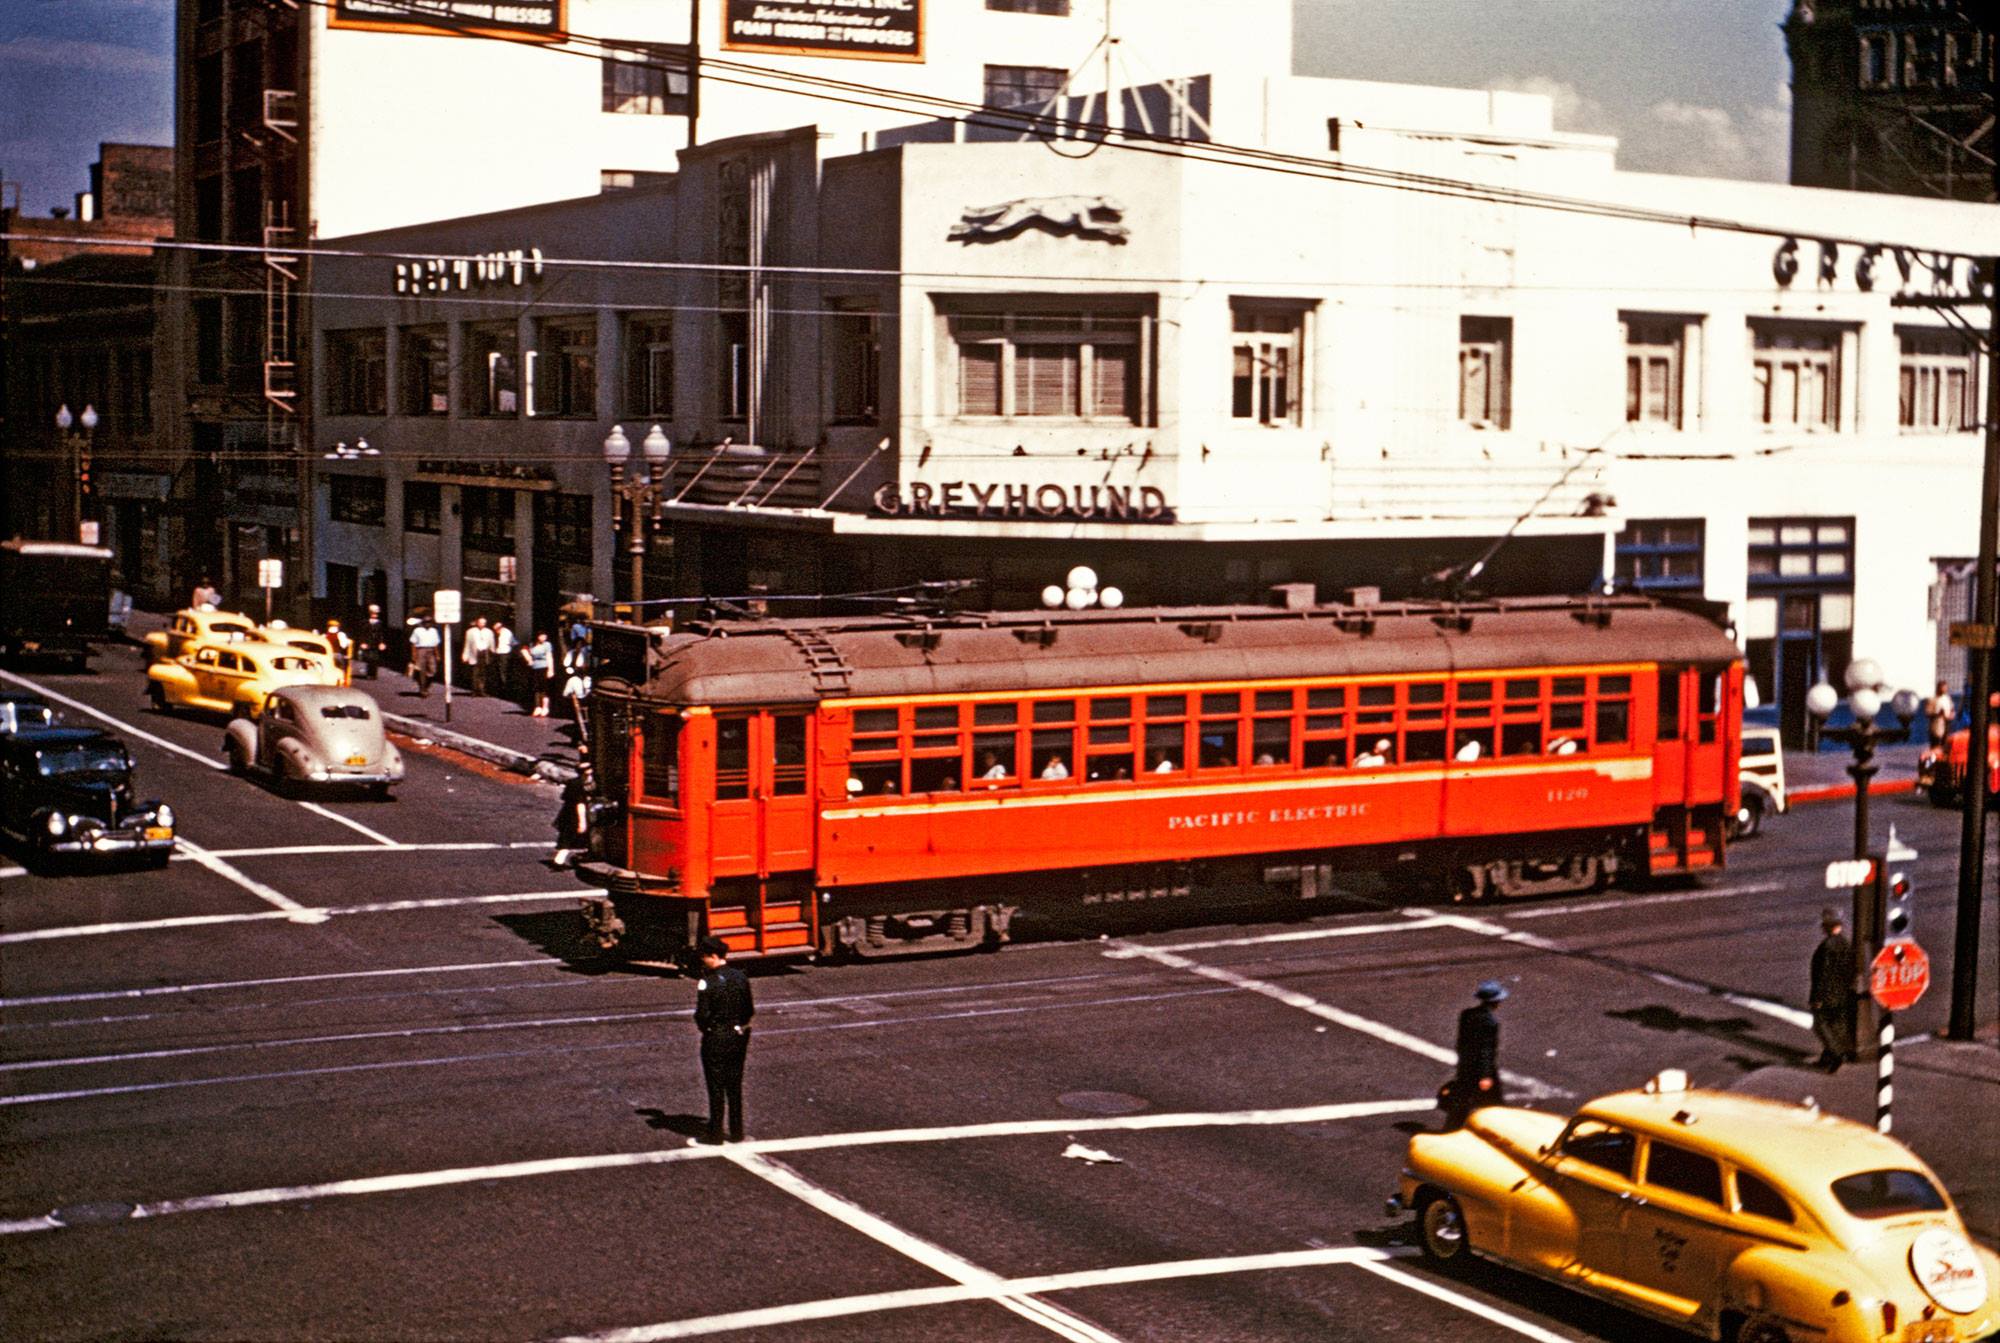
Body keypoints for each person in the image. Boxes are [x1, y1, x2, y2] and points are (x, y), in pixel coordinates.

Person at [691, 935, 753, 1144]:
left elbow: (702, 1015)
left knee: (716, 1086)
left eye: (705, 957)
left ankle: (715, 1132)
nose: (703, 961)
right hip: (737, 1036)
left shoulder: (707, 982)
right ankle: (737, 1131)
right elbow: (748, 1011)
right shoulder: (740, 977)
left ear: (714, 956)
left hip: (716, 1037)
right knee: (734, 1085)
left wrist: (706, 1028)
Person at [1442, 980, 1507, 1130]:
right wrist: (1485, 1075)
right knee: (1495, 1103)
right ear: (1496, 1001)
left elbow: (1462, 1042)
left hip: (1466, 1065)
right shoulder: (1490, 1022)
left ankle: (1451, 1128)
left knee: (1462, 1101)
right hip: (1480, 1070)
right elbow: (1486, 1050)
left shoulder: (1466, 1015)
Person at [1809, 908, 1856, 1071]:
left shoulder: (1827, 946)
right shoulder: (1845, 943)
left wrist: (1817, 998)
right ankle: (1827, 1057)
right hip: (1842, 993)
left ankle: (1836, 1054)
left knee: (1820, 1025)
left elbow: (1823, 975)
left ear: (1828, 926)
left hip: (1828, 995)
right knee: (1837, 1025)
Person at [551, 766, 591, 868]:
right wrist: (582, 822)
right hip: (575, 815)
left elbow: (563, 796)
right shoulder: (580, 785)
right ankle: (559, 861)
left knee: (565, 837)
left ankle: (558, 860)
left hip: (566, 812)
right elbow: (580, 804)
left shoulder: (571, 782)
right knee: (570, 838)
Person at [523, 631, 556, 716]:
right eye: (542, 636)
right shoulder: (532, 645)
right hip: (535, 667)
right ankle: (537, 707)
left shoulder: (547, 645)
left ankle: (545, 707)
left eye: (545, 636)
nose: (544, 637)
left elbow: (549, 657)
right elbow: (524, 649)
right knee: (536, 687)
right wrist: (529, 659)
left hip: (544, 667)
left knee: (544, 687)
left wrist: (550, 669)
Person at [407, 616, 442, 696]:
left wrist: (437, 655)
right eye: (426, 622)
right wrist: (414, 654)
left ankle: (427, 684)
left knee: (433, 670)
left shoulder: (434, 631)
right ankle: (423, 689)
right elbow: (413, 643)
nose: (428, 624)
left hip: (431, 650)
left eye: (429, 622)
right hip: (421, 650)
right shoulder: (417, 630)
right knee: (421, 670)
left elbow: (436, 644)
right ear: (423, 623)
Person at [462, 616, 495, 696]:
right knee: (475, 672)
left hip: (484, 652)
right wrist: (465, 655)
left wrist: (493, 652)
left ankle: (482, 690)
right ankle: (474, 690)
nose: (482, 624)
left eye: (484, 623)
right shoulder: (470, 632)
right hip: (475, 652)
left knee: (483, 673)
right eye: (480, 622)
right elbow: (467, 644)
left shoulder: (489, 632)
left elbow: (492, 643)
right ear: (477, 623)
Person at [359, 605, 390, 681]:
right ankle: (369, 673)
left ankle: (374, 674)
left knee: (375, 658)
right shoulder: (365, 622)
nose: (374, 615)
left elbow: (382, 634)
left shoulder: (380, 623)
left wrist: (382, 643)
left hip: (376, 642)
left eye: (376, 613)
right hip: (368, 641)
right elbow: (362, 633)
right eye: (372, 613)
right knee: (369, 658)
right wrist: (362, 642)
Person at [492, 622, 519, 702]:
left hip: (504, 654)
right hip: (500, 654)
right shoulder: (501, 634)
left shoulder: (506, 633)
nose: (496, 631)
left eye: (496, 630)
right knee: (500, 672)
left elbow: (514, 642)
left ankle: (505, 691)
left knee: (503, 673)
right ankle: (502, 690)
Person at [1926, 681, 1955, 752]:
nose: (1944, 690)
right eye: (1942, 688)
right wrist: (1938, 714)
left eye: (1945, 688)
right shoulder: (1932, 699)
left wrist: (1951, 715)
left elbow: (1952, 709)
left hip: (1947, 724)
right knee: (1936, 744)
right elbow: (1928, 713)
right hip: (1936, 726)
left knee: (1945, 743)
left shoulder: (1947, 698)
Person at [325, 618, 354, 682]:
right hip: (337, 654)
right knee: (341, 663)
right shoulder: (340, 635)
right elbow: (343, 646)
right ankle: (342, 678)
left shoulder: (325, 635)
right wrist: (348, 642)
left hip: (327, 656)